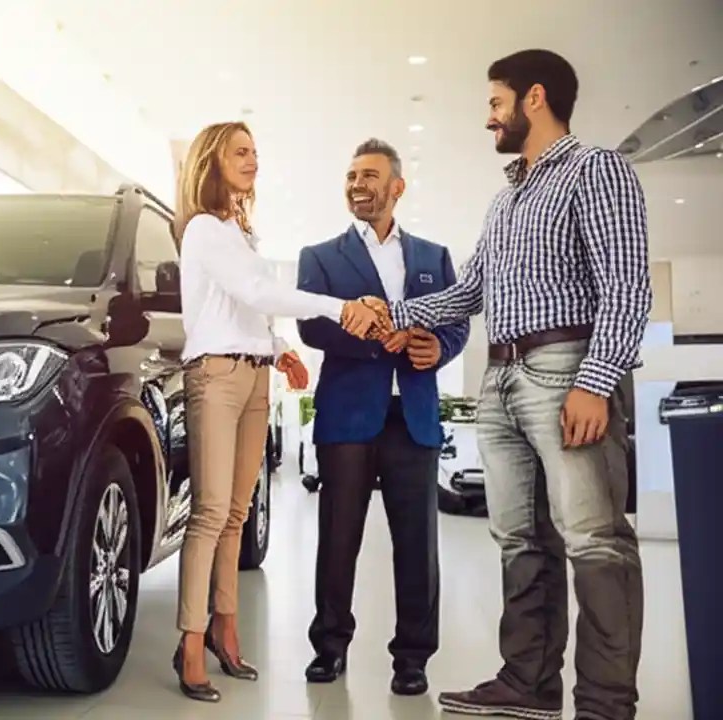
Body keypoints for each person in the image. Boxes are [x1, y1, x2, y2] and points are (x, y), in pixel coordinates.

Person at [378, 50, 649, 720]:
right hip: (499, 380)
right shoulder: (506, 198)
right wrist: (393, 316)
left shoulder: (596, 169)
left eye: (495, 102)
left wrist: (596, 379)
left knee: (595, 539)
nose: (488, 117)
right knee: (520, 540)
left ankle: (606, 703)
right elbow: (469, 289)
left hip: (565, 374)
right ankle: (529, 684)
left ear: (534, 97)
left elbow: (626, 285)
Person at [172, 121, 384, 702]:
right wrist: (341, 308)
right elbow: (258, 295)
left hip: (253, 375)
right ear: (212, 161)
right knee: (211, 514)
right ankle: (190, 642)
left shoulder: (241, 234)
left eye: (256, 153)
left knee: (237, 515)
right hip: (215, 376)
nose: (253, 162)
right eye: (242, 153)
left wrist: (281, 349)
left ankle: (226, 629)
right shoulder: (204, 230)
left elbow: (250, 311)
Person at [297, 138, 469, 696]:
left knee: (417, 542)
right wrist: (377, 338)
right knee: (338, 536)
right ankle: (329, 646)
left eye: (369, 175)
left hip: (413, 414)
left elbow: (457, 318)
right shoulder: (319, 257)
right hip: (348, 415)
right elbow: (311, 327)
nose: (357, 184)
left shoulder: (432, 257)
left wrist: (438, 348)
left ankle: (413, 658)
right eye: (350, 175)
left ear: (397, 185)